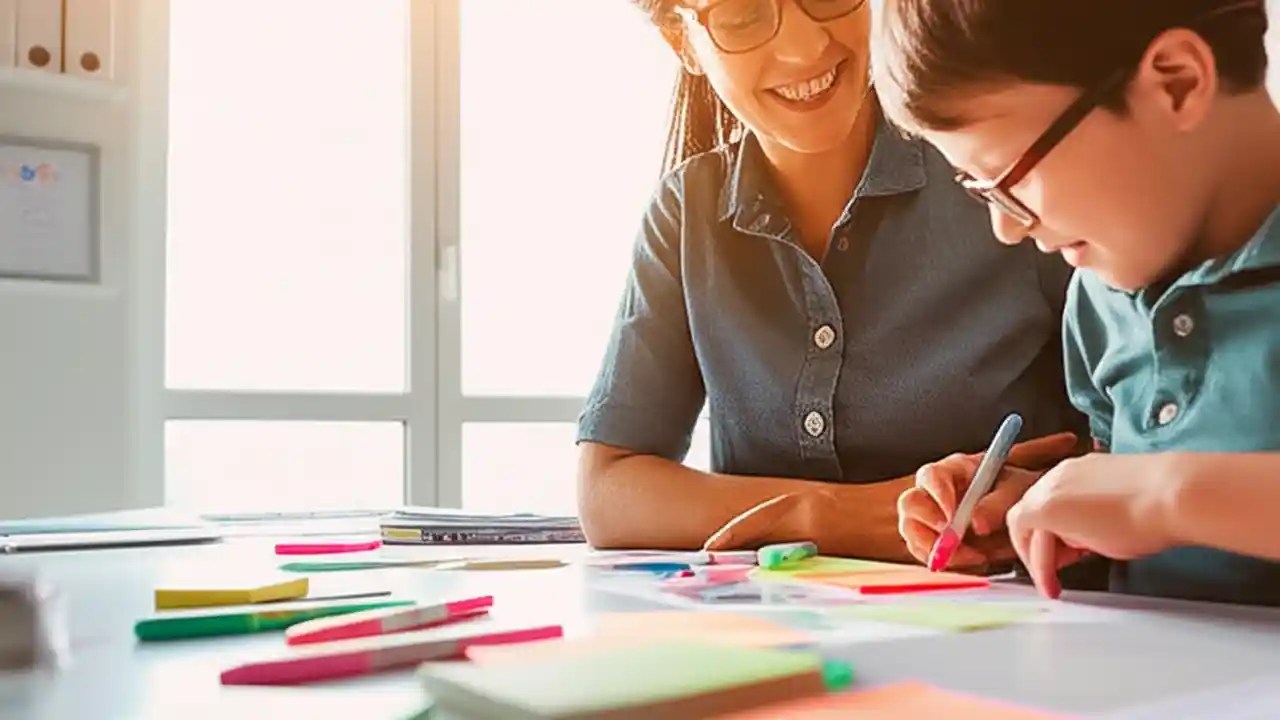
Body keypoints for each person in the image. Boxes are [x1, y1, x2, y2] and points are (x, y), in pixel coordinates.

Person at [575, 0, 1084, 561]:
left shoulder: (997, 182)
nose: (805, 47)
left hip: (1010, 627)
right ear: (681, 42)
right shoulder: (687, 211)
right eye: (743, 16)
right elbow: (608, 492)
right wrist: (831, 514)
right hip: (777, 635)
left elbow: (1135, 449)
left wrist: (1035, 495)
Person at [876, 0, 1280, 604]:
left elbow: (1153, 495)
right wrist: (1042, 513)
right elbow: (1132, 507)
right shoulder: (1098, 300)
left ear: (1177, 82)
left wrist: (1163, 494)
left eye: (1009, 178)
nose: (1008, 230)